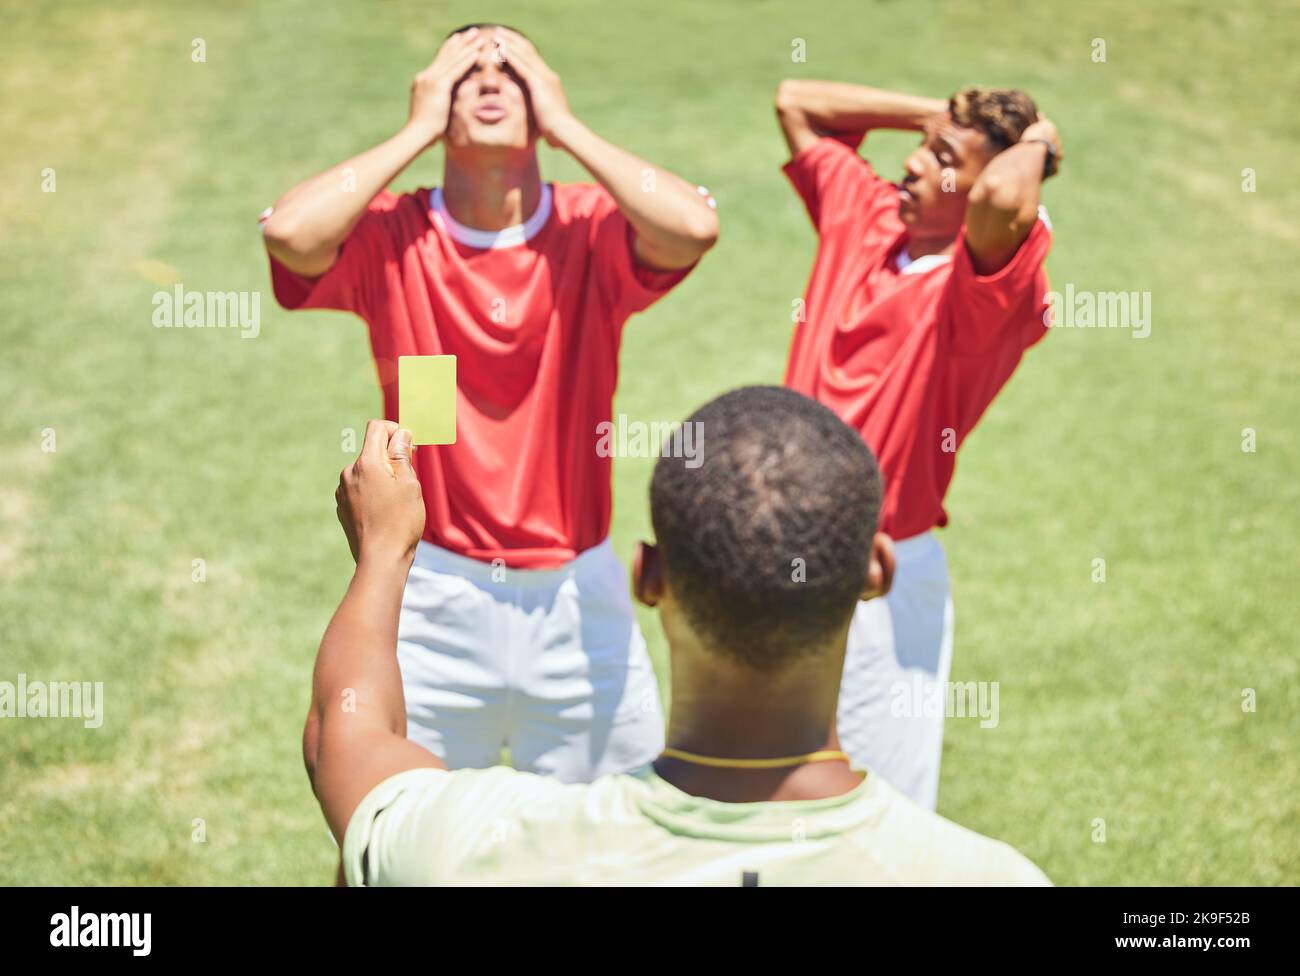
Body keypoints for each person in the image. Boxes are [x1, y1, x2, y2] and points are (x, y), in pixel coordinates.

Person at [304, 388, 1050, 885]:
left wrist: (384, 551)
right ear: (876, 571)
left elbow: (345, 736)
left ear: (648, 578)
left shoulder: (491, 847)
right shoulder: (992, 878)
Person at [262, 25, 718, 782]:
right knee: (397, 836)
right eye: (464, 69)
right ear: (434, 94)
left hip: (579, 595)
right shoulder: (394, 236)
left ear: (542, 95)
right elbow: (288, 233)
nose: (489, 80)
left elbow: (695, 226)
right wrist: (414, 130)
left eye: (512, 69)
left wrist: (567, 126)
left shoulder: (591, 226)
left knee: (616, 846)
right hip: (435, 591)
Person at [774, 79, 1063, 808]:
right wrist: (935, 117)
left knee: (883, 807)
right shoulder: (866, 218)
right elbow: (796, 100)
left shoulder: (985, 293)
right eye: (919, 147)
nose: (910, 162)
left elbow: (1002, 201)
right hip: (776, 554)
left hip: (887, 576)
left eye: (941, 160)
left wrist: (1033, 142)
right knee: (762, 790)